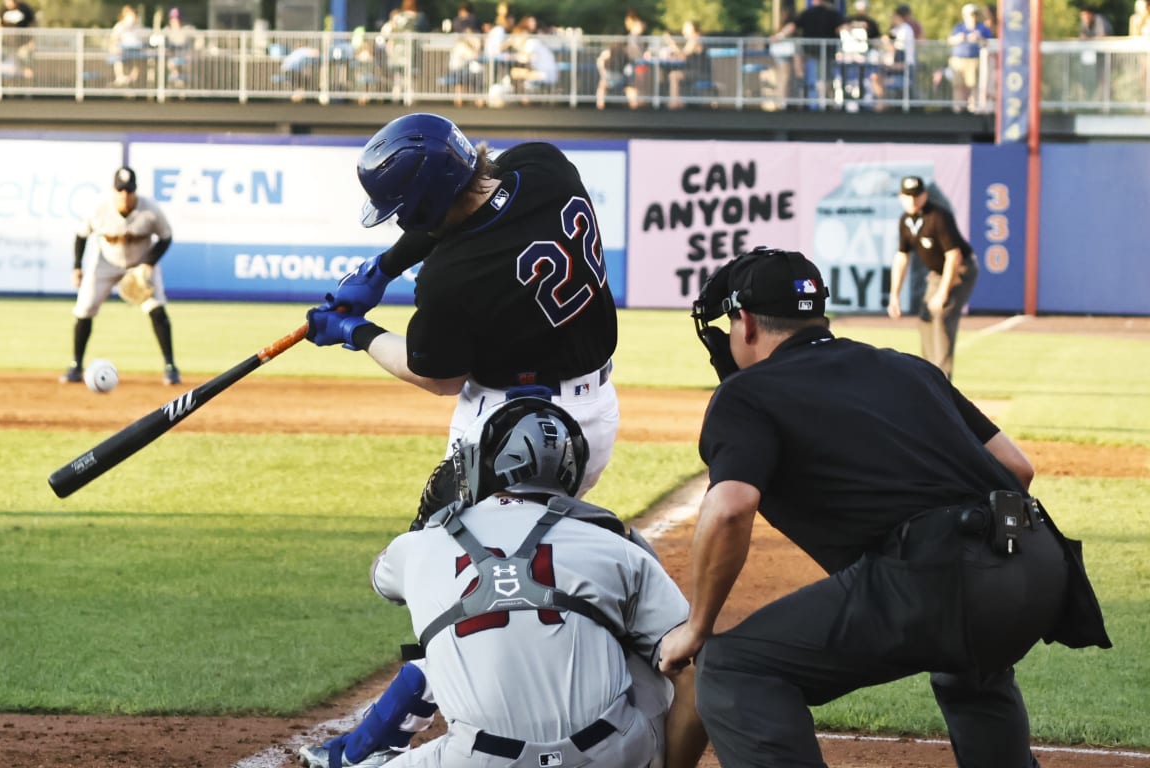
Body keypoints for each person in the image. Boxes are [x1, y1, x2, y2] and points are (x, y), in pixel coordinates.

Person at [660, 246, 1110, 768]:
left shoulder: (747, 393)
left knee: (734, 666)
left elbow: (731, 507)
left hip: (941, 573)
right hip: (1040, 564)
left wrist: (698, 626)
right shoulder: (907, 367)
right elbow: (1017, 468)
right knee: (970, 664)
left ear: (743, 322)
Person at [299, 397, 706, 768]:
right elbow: (694, 671)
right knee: (664, 650)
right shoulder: (618, 547)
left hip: (475, 761)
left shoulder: (421, 545)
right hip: (612, 756)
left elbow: (380, 576)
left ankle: (363, 754)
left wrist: (427, 528)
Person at [304, 112, 619, 496]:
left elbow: (441, 378)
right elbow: (477, 204)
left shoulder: (451, 277)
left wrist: (356, 331)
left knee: (462, 550)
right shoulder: (544, 164)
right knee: (548, 541)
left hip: (512, 427)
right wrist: (382, 268)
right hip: (595, 410)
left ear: (426, 205)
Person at [60, 166, 180, 387]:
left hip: (140, 264)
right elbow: (81, 235)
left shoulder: (151, 210)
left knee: (156, 308)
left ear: (135, 191)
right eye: (121, 190)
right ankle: (76, 365)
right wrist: (77, 266)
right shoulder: (99, 209)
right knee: (84, 309)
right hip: (105, 262)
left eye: (129, 191)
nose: (125, 195)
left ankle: (171, 367)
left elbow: (166, 237)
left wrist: (148, 263)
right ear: (114, 190)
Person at [887, 175, 977, 379]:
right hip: (937, 273)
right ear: (901, 197)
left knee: (942, 314)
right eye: (908, 196)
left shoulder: (938, 216)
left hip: (960, 270)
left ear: (925, 195)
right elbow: (901, 258)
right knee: (926, 316)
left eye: (917, 196)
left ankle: (943, 380)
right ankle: (928, 374)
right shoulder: (906, 221)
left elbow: (954, 256)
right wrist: (894, 295)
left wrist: (943, 294)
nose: (912, 200)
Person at [771, 0, 845, 108]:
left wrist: (779, 36)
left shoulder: (812, 13)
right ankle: (824, 104)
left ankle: (823, 104)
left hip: (817, 52)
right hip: (820, 52)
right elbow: (842, 28)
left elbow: (792, 26)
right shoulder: (828, 14)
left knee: (819, 80)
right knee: (822, 79)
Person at [946, 3, 993, 112]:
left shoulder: (982, 28)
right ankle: (958, 108)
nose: (973, 17)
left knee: (973, 86)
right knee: (958, 86)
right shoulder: (959, 27)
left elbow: (990, 43)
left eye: (974, 14)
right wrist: (959, 38)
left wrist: (979, 38)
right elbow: (950, 40)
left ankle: (973, 109)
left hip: (974, 60)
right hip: (958, 60)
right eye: (970, 15)